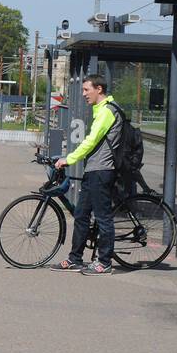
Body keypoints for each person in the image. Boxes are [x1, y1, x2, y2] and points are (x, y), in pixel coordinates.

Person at [51, 73, 121, 275]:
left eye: (86, 89)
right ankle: (75, 259)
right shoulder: (99, 110)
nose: (83, 94)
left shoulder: (107, 111)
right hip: (93, 169)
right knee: (81, 215)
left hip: (103, 170)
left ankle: (105, 261)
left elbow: (91, 140)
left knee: (103, 218)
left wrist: (68, 159)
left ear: (99, 89)